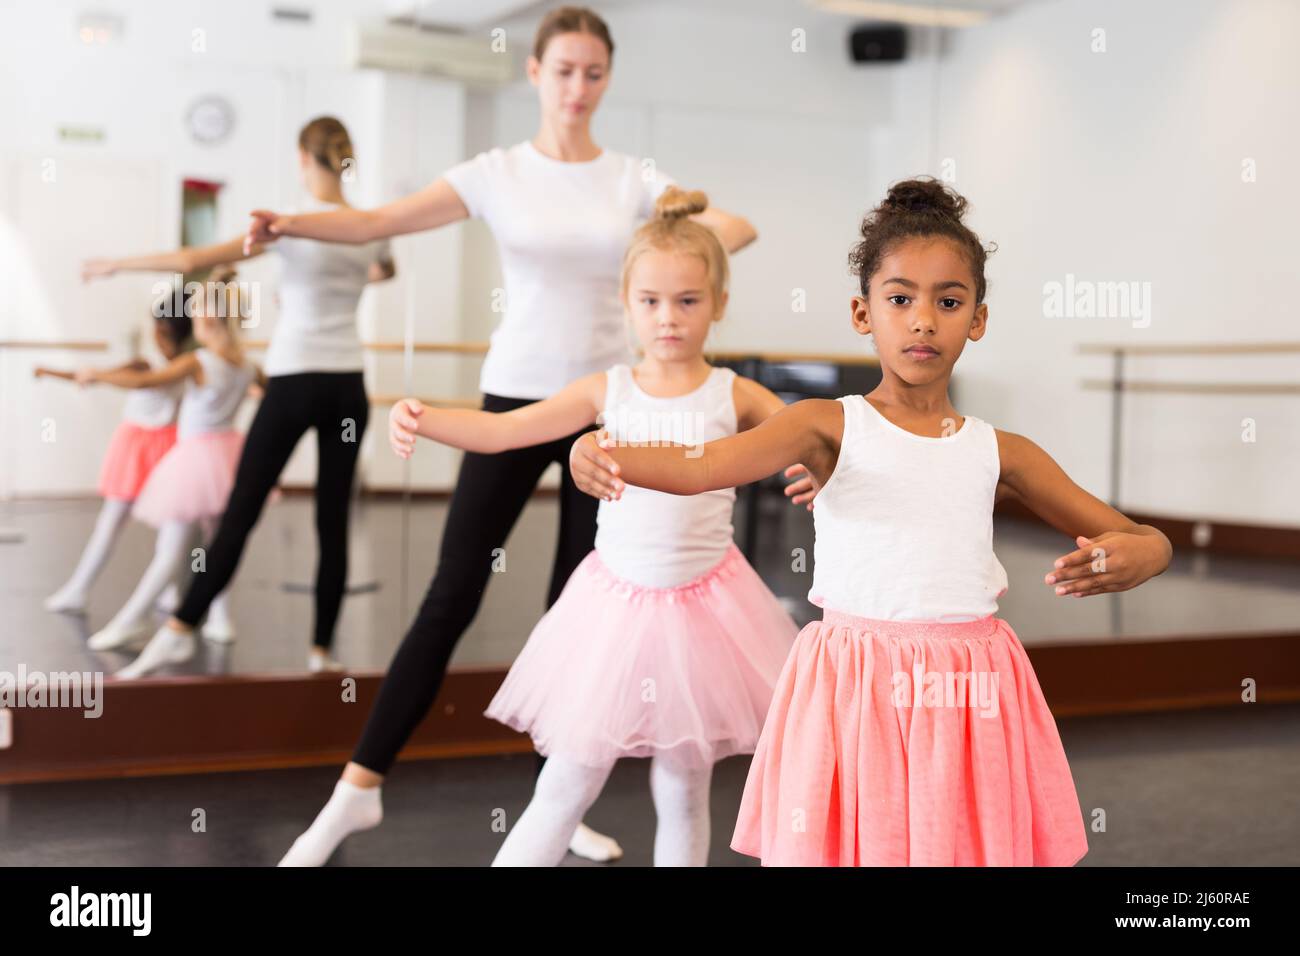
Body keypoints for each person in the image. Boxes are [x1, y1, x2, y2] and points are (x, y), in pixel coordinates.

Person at [262, 6, 760, 864]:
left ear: (608, 79)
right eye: (563, 70)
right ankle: (356, 793)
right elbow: (379, 222)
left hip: (612, 414)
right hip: (520, 397)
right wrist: (293, 223)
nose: (578, 88)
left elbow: (734, 232)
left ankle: (563, 804)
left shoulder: (633, 175)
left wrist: (679, 225)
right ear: (533, 72)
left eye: (594, 73)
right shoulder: (497, 171)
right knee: (452, 593)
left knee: (583, 610)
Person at [570, 177, 1174, 866]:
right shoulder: (824, 424)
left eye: (948, 302)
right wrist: (603, 449)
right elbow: (705, 463)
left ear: (977, 317)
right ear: (864, 313)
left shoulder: (1003, 452)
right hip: (854, 688)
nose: (923, 320)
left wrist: (1142, 557)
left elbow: (1142, 536)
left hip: (965, 693)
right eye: (900, 299)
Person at [83, 116, 395, 674]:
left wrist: (115, 264)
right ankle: (322, 653)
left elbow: (190, 262)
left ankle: (181, 627)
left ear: (304, 158)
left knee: (241, 513)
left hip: (295, 381)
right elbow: (384, 269)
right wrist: (343, 286)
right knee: (333, 521)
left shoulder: (290, 224)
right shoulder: (371, 225)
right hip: (348, 385)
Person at [74, 278, 261, 677]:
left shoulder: (199, 362)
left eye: (196, 312)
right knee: (218, 544)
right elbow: (270, 392)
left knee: (171, 551)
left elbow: (145, 381)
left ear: (209, 318)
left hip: (196, 461)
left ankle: (132, 620)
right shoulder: (247, 365)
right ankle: (219, 619)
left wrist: (98, 374)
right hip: (230, 457)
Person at [36, 309, 192, 615]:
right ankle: (79, 589)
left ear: (160, 330)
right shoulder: (179, 365)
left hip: (157, 449)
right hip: (153, 449)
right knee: (123, 524)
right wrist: (53, 372)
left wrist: (97, 375)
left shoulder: (174, 367)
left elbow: (139, 382)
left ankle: (168, 589)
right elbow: (94, 375)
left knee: (159, 528)